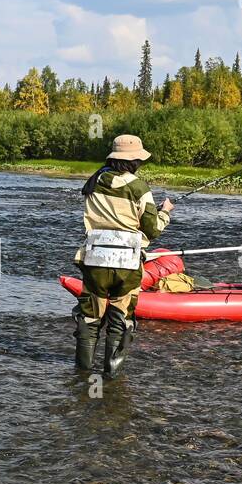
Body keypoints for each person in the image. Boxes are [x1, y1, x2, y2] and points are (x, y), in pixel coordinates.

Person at [72, 134, 173, 377]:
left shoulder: (93, 181)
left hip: (95, 260)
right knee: (120, 317)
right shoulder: (139, 188)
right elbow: (152, 230)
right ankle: (111, 376)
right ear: (135, 161)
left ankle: (82, 375)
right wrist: (165, 212)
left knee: (90, 316)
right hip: (127, 263)